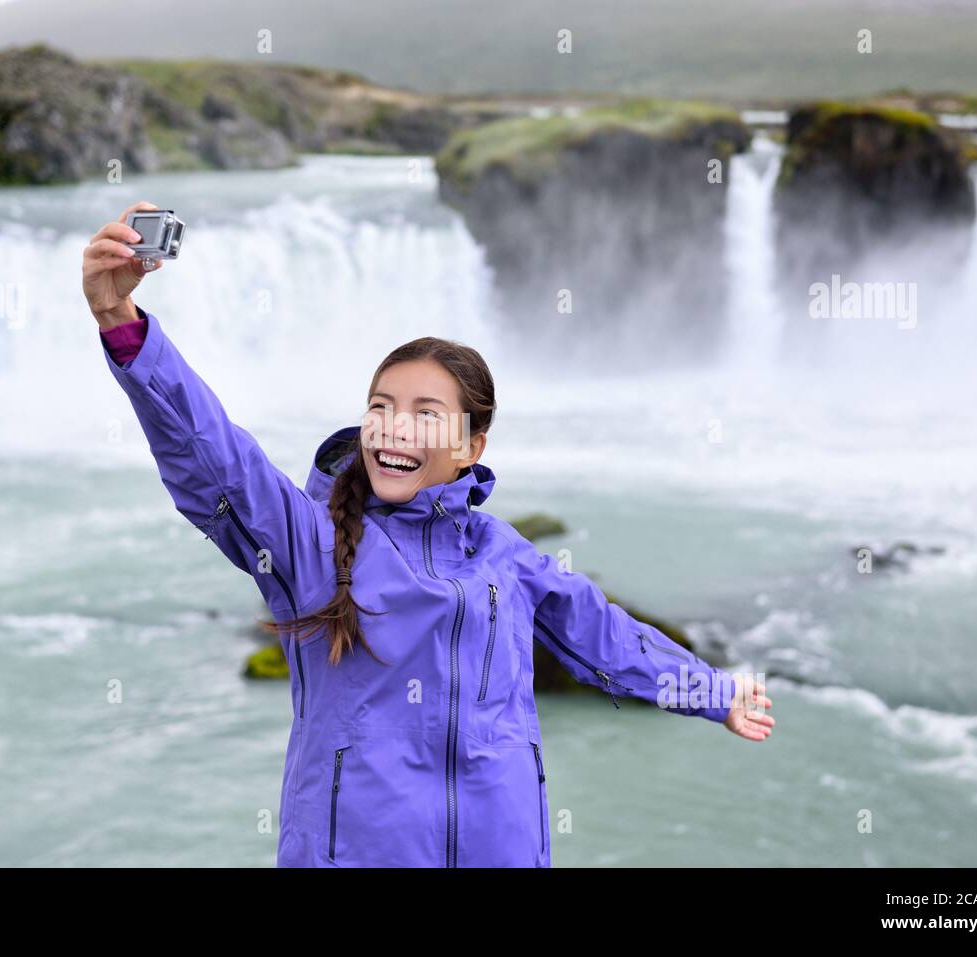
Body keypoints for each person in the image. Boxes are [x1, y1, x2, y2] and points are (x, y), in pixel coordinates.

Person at [82, 201, 775, 867]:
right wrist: (123, 322)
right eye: (380, 407)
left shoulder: (505, 554)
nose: (393, 426)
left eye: (424, 412)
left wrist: (714, 693)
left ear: (473, 445)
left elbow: (604, 635)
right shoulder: (308, 542)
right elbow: (215, 457)